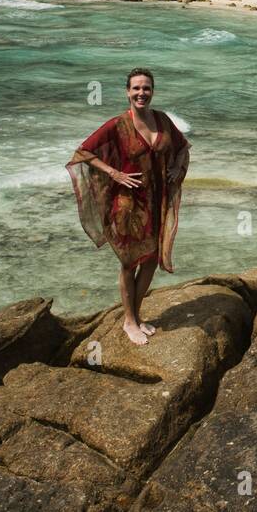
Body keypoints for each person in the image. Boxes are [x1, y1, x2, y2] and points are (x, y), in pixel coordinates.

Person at [67, 67, 190, 345]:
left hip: (156, 200)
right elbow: (83, 152)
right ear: (127, 92)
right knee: (129, 262)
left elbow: (183, 148)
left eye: (146, 88)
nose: (141, 93)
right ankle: (129, 321)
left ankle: (136, 315)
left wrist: (176, 169)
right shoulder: (117, 125)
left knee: (150, 260)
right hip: (127, 205)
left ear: (152, 91)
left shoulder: (162, 120)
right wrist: (113, 173)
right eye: (136, 88)